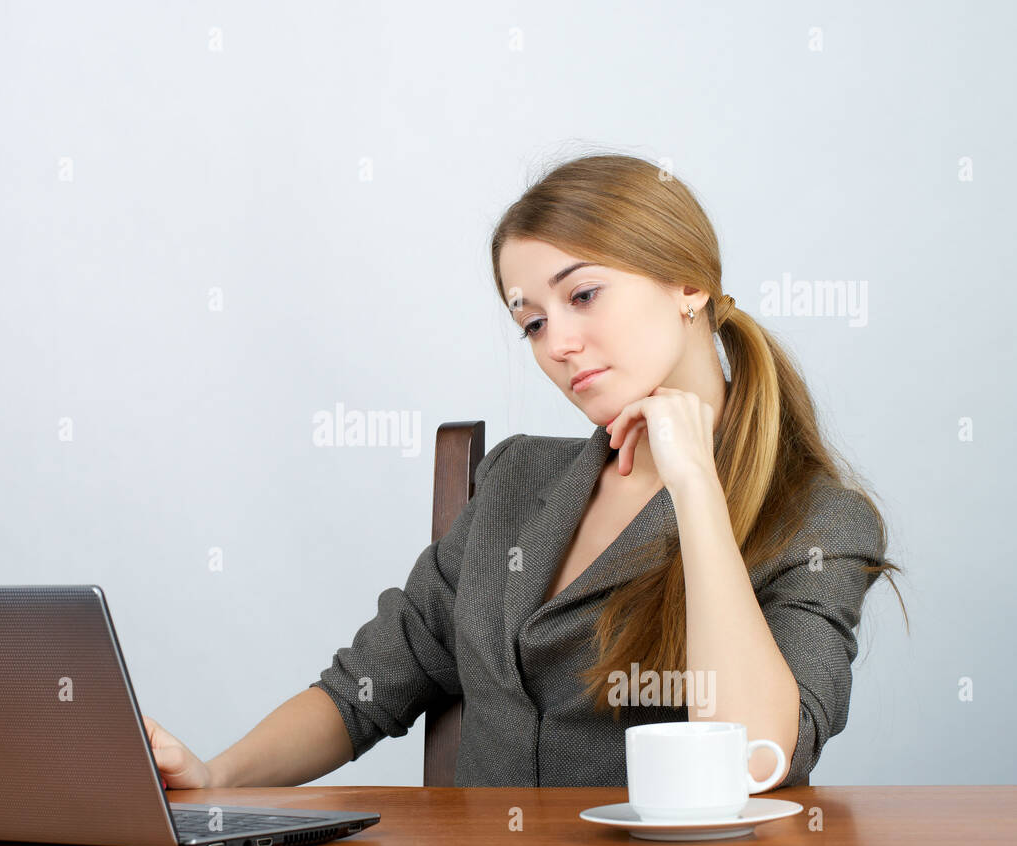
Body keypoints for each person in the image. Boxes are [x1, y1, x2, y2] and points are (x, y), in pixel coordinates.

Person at [143, 152, 906, 790]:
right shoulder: (515, 479)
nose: (558, 344)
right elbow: (364, 689)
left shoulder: (817, 520)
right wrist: (215, 775)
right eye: (532, 321)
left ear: (687, 284)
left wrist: (698, 488)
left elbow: (756, 760)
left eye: (583, 294)